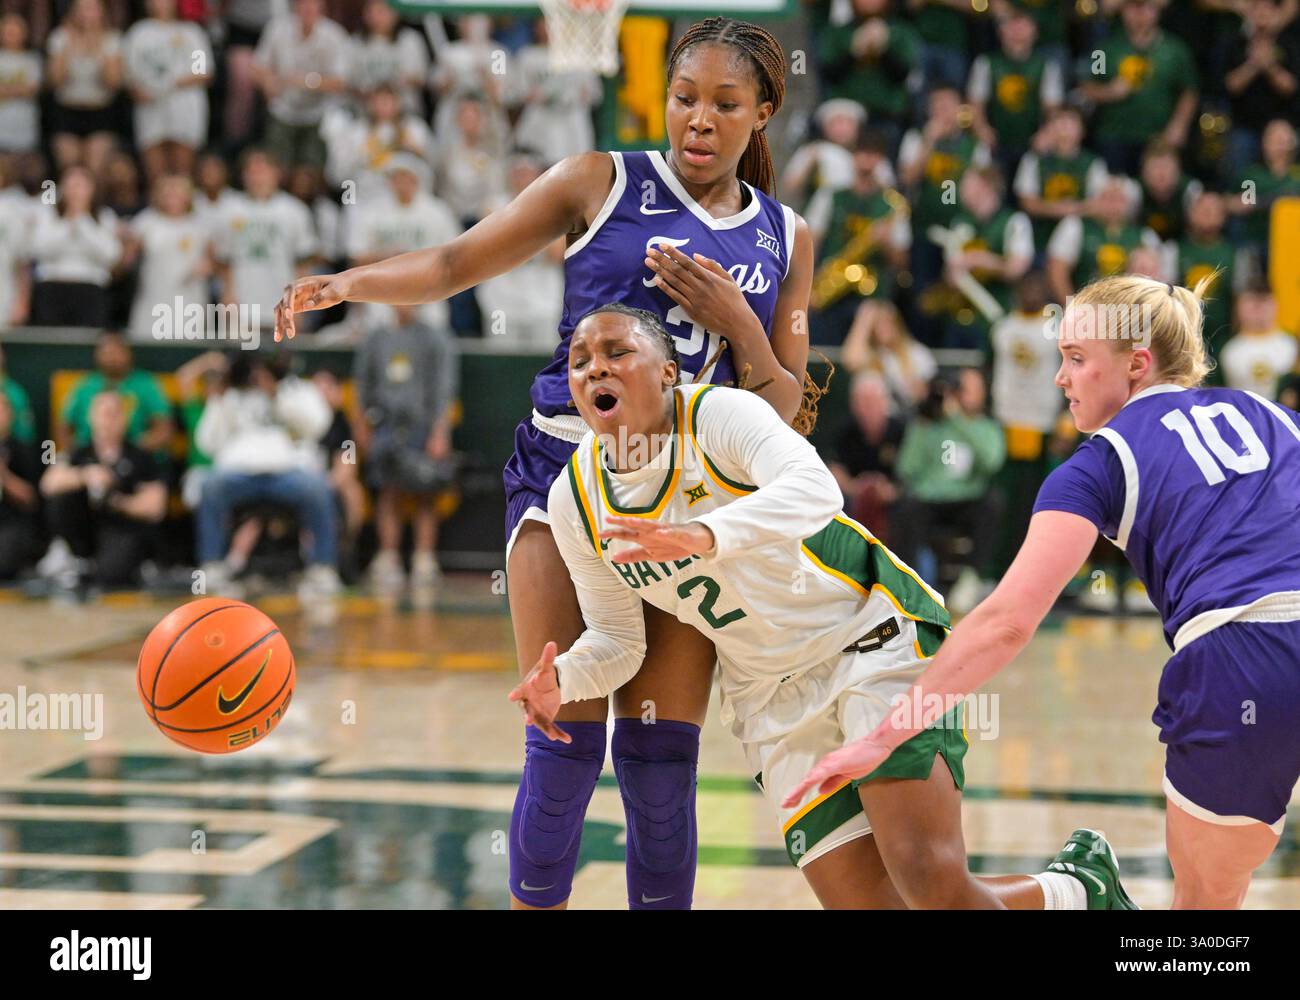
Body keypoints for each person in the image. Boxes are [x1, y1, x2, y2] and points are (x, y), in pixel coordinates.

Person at [275, 17, 815, 910]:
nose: (701, 121)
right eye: (685, 99)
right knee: (565, 744)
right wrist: (346, 284)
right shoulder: (600, 180)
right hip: (564, 472)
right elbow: (454, 261)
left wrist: (743, 325)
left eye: (726, 105)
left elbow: (785, 407)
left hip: (684, 494)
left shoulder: (787, 236)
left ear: (763, 112)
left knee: (661, 772)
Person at [509, 304, 1134, 910]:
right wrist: (561, 678)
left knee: (928, 881)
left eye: (618, 352)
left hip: (868, 637)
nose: (594, 368)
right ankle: (1075, 890)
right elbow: (620, 642)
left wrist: (706, 534)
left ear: (668, 371)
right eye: (580, 360)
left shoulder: (719, 416)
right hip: (772, 701)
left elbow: (814, 490)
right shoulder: (576, 500)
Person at [789, 273, 1300, 909]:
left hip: (1238, 660)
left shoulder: (1098, 463)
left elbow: (1005, 621)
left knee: (1203, 911)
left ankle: (1078, 900)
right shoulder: (1278, 417)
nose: (1061, 378)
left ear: (1136, 366)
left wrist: (884, 735)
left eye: (1077, 359)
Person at [194, 352, 339, 602]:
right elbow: (206, 443)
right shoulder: (231, 394)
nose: (257, 376)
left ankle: (322, 567)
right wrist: (218, 400)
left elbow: (318, 426)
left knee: (318, 488)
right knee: (210, 485)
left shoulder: (297, 390)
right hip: (239, 474)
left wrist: (276, 395)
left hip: (288, 472)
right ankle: (213, 565)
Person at [355, 303, 458, 593]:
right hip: (385, 427)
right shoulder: (375, 338)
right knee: (388, 492)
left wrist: (439, 433)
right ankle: (388, 557)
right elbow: (363, 385)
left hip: (422, 427)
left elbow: (444, 389)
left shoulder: (435, 338)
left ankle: (424, 559)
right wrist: (363, 428)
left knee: (426, 491)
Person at [40, 390, 166, 589]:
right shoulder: (79, 453)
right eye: (103, 413)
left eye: (114, 413)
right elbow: (48, 484)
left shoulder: (140, 457)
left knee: (112, 576)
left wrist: (116, 500)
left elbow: (155, 507)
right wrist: (85, 475)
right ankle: (74, 558)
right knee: (60, 499)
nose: (108, 420)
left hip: (122, 527)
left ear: (124, 419)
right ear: (91, 418)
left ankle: (137, 563)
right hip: (87, 528)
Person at [122, 0, 212, 184]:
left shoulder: (191, 32)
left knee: (183, 173)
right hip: (150, 107)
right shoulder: (138, 33)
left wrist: (171, 83)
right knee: (155, 175)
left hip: (184, 106)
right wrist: (137, 91)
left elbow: (202, 72)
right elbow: (128, 73)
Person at [1218, 283, 1298, 399]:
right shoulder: (1227, 349)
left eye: (1265, 302)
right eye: (1252, 304)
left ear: (1275, 305)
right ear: (1238, 307)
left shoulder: (1293, 344)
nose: (1259, 311)